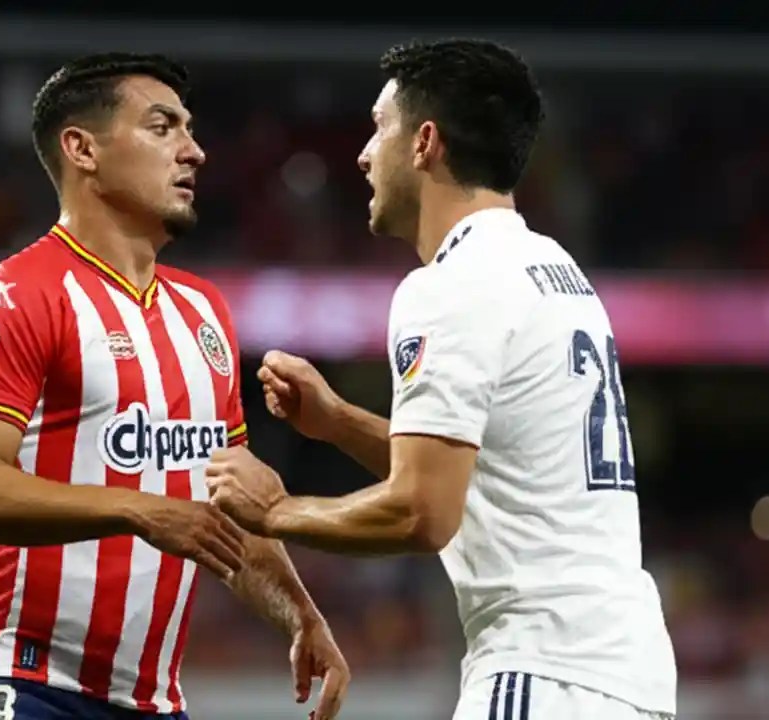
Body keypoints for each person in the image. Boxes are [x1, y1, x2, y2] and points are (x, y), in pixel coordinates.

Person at [206, 39, 677, 720]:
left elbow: (422, 511)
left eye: (380, 127)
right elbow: (481, 473)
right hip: (621, 672)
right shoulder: (553, 267)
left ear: (425, 142)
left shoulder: (450, 285)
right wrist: (337, 423)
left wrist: (275, 512)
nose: (364, 154)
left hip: (544, 670)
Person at [0, 52, 348, 720]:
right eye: (162, 127)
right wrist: (136, 507)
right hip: (19, 684)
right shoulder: (20, 295)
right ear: (82, 149)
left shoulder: (203, 312)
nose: (194, 151)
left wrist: (300, 615)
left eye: (190, 130)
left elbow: (228, 505)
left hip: (152, 702)